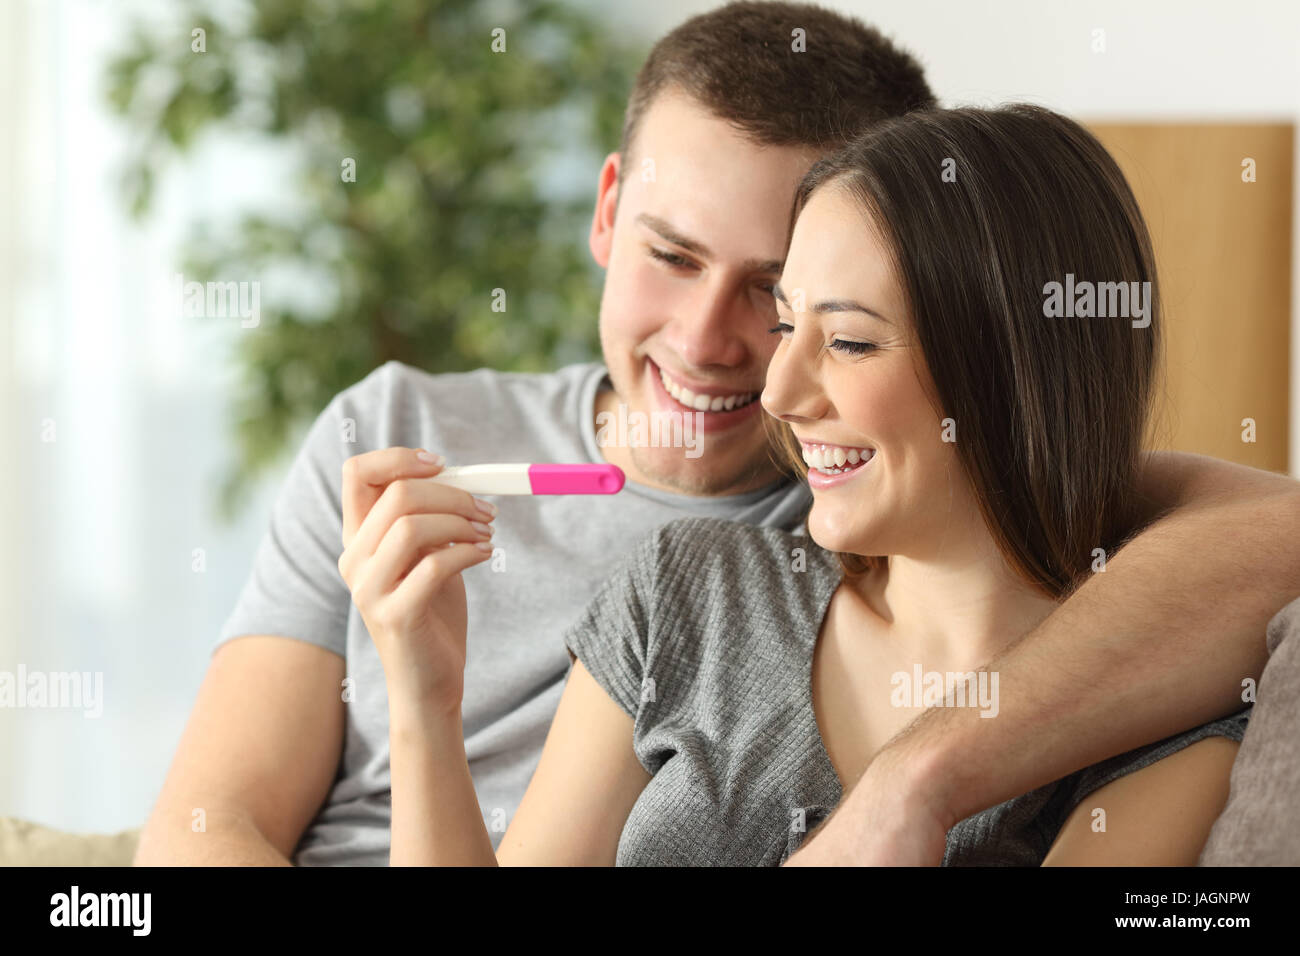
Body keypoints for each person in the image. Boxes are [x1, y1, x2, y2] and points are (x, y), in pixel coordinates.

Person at [135, 2, 1299, 867]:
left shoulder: (894, 527)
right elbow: (203, 823)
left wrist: (916, 782)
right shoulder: (399, 429)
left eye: (783, 301)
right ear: (605, 209)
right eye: (672, 255)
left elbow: (1204, 522)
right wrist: (419, 690)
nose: (719, 348)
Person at [377, 103, 1252, 865]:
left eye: (851, 342)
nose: (780, 394)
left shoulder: (1157, 716)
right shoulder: (691, 593)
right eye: (787, 324)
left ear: (1018, 373)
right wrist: (425, 701)